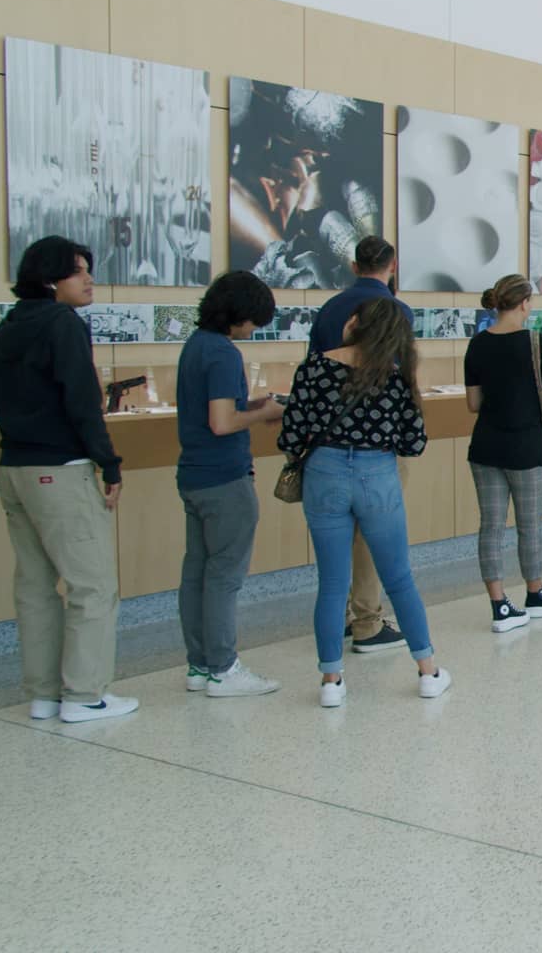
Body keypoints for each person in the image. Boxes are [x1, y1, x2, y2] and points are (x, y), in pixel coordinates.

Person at [0, 237, 135, 723]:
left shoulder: (10, 325)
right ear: (51, 279)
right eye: (78, 272)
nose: (89, 280)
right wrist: (108, 463)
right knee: (92, 585)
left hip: (13, 469)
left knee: (34, 585)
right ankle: (85, 694)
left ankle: (45, 692)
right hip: (59, 471)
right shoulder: (62, 323)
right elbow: (82, 402)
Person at [280, 299, 449, 705]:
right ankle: (428, 671)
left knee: (333, 585)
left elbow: (289, 436)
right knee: (399, 578)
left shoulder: (314, 367)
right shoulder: (395, 378)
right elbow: (414, 443)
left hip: (324, 475)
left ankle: (331, 682)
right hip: (378, 478)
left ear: (355, 323)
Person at [175, 272, 286, 698]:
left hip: (194, 476)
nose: (253, 330)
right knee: (224, 576)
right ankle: (224, 667)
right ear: (237, 313)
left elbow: (214, 412)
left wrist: (251, 406)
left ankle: (200, 665)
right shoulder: (223, 353)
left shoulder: (195, 345)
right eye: (252, 322)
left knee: (197, 573)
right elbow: (222, 423)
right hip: (225, 479)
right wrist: (264, 413)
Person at [308, 236, 416, 655]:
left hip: (326, 448)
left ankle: (332, 625)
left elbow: (313, 373)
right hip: (376, 448)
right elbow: (404, 382)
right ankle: (367, 621)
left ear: (354, 266)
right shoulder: (396, 311)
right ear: (393, 265)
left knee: (332, 544)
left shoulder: (328, 311)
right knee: (372, 536)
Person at [465, 275, 542, 630]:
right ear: (524, 303)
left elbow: (473, 402)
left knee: (491, 527)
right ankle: (535, 592)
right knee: (530, 525)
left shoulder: (478, 344)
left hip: (485, 446)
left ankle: (499, 605)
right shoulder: (538, 343)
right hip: (527, 446)